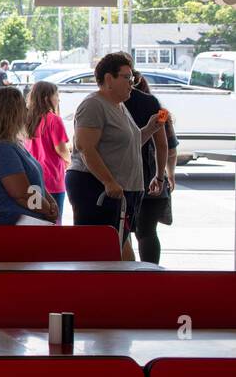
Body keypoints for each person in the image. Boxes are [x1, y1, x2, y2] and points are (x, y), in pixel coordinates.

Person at [66, 52, 162, 258]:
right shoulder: (94, 104)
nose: (132, 83)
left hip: (122, 192)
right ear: (109, 79)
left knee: (122, 250)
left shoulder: (119, 105)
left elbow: (130, 144)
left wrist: (149, 129)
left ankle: (126, 287)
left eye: (132, 78)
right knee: (102, 251)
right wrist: (108, 181)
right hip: (97, 189)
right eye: (127, 77)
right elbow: (85, 147)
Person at [0, 87, 58, 225]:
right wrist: (48, 210)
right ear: (13, 112)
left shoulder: (14, 144)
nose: (27, 111)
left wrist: (51, 203)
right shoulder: (2, 149)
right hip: (14, 226)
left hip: (26, 223)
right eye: (23, 107)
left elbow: (35, 183)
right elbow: (22, 194)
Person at [126, 73, 177, 264]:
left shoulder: (117, 105)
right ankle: (151, 273)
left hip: (126, 175)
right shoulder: (160, 109)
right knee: (147, 232)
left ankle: (125, 272)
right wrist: (167, 176)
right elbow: (168, 147)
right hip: (152, 177)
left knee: (123, 232)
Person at [24, 80, 71, 221]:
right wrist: (70, 160)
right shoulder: (53, 120)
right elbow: (61, 149)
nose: (58, 98)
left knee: (36, 221)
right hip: (52, 179)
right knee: (54, 222)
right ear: (47, 98)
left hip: (32, 178)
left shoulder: (28, 119)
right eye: (56, 95)